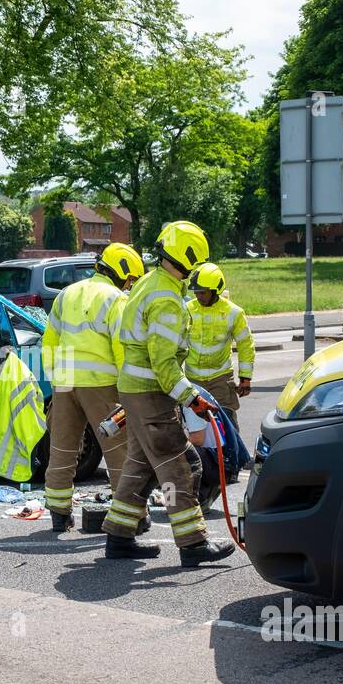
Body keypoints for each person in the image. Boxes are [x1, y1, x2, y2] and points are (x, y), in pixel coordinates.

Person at [102, 221, 236, 567]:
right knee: (180, 466)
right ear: (190, 257)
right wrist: (191, 397)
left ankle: (118, 537)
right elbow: (164, 365)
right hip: (151, 393)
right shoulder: (167, 299)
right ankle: (193, 544)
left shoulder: (149, 282)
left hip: (134, 389)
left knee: (139, 465)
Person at [41, 242, 144, 532]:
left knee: (61, 448)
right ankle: (132, 514)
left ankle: (59, 514)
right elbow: (122, 348)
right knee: (119, 452)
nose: (130, 285)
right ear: (122, 272)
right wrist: (130, 390)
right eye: (131, 279)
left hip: (64, 384)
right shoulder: (116, 299)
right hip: (101, 386)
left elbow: (48, 340)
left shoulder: (67, 294)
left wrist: (54, 377)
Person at [184, 263, 253, 419]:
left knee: (226, 422)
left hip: (220, 379)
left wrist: (245, 378)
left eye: (202, 293)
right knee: (196, 427)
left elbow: (245, 345)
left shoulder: (234, 312)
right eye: (196, 293)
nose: (198, 296)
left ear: (215, 290)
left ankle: (232, 444)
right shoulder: (186, 310)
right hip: (192, 380)